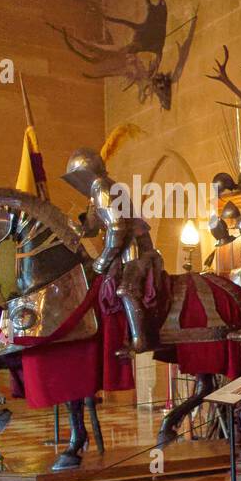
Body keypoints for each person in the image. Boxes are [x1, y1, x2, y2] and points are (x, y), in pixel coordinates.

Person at [62, 148, 164, 355]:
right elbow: (90, 228)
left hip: (133, 251)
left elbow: (117, 227)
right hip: (122, 251)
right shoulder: (98, 191)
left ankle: (140, 340)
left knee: (126, 289)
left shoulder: (101, 187)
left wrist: (103, 259)